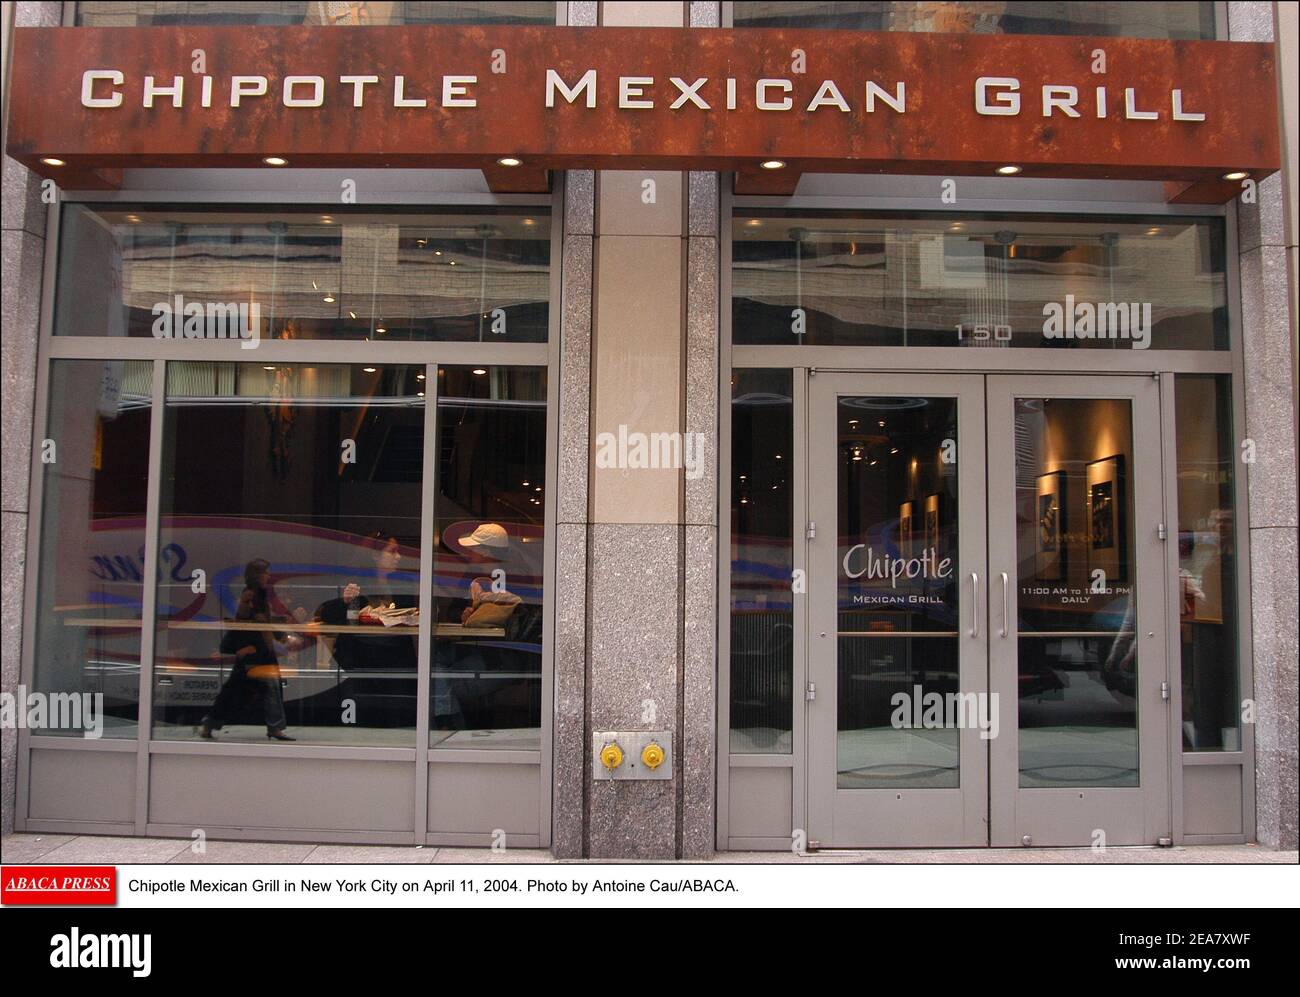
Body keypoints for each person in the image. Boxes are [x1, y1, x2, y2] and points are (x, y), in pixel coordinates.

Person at [198, 558, 303, 741]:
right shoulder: (254, 595)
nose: (268, 576)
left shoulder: (253, 594)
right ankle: (274, 728)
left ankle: (211, 723)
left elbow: (257, 623)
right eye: (266, 573)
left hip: (256, 651)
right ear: (258, 574)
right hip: (256, 652)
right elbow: (259, 624)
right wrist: (283, 637)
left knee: (236, 690)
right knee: (261, 690)